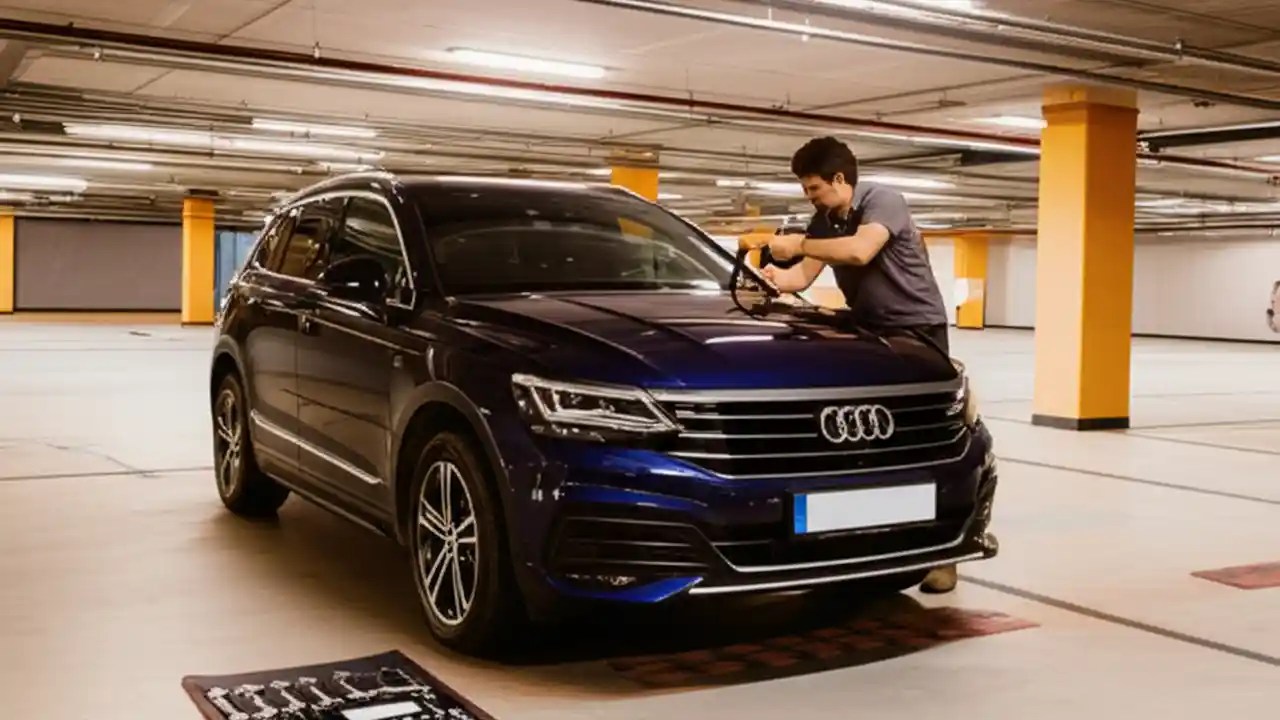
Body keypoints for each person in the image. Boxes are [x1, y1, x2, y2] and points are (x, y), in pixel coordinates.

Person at [763, 136, 958, 594]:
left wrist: (796, 243)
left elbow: (859, 252)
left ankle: (943, 557)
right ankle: (874, 540)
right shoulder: (824, 221)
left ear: (839, 179)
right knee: (877, 445)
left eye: (814, 188)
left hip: (917, 330)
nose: (809, 197)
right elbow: (800, 277)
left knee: (926, 445)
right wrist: (772, 279)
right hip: (870, 332)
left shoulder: (883, 200)